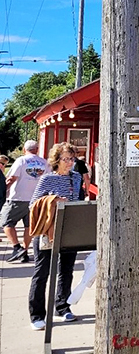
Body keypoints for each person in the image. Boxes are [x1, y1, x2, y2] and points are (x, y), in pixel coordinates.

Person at [28, 142, 81, 331]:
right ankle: (36, 315)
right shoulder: (47, 179)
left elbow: (78, 200)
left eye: (72, 158)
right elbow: (33, 205)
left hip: (69, 230)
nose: (69, 162)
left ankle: (62, 306)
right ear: (56, 160)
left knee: (66, 271)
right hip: (47, 231)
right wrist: (53, 200)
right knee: (42, 272)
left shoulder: (76, 178)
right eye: (66, 159)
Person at [1, 140, 47, 263]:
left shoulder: (21, 161)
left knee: (6, 222)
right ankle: (25, 251)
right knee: (28, 226)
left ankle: (17, 247)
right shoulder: (44, 162)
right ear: (37, 149)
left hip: (18, 197)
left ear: (24, 149)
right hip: (36, 199)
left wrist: (4, 190)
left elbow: (11, 178)